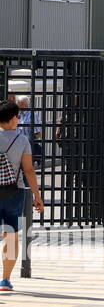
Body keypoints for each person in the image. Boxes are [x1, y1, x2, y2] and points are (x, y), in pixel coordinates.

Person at [0, 101, 45, 292]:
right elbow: (28, 170)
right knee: (11, 236)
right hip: (14, 191)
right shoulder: (22, 140)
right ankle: (5, 280)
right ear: (12, 119)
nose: (19, 119)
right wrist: (37, 196)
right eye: (18, 116)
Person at [15, 95, 42, 167]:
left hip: (28, 145)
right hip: (17, 145)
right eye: (18, 103)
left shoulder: (32, 115)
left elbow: (38, 133)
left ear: (26, 104)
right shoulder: (16, 115)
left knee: (27, 166)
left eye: (20, 103)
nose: (18, 106)